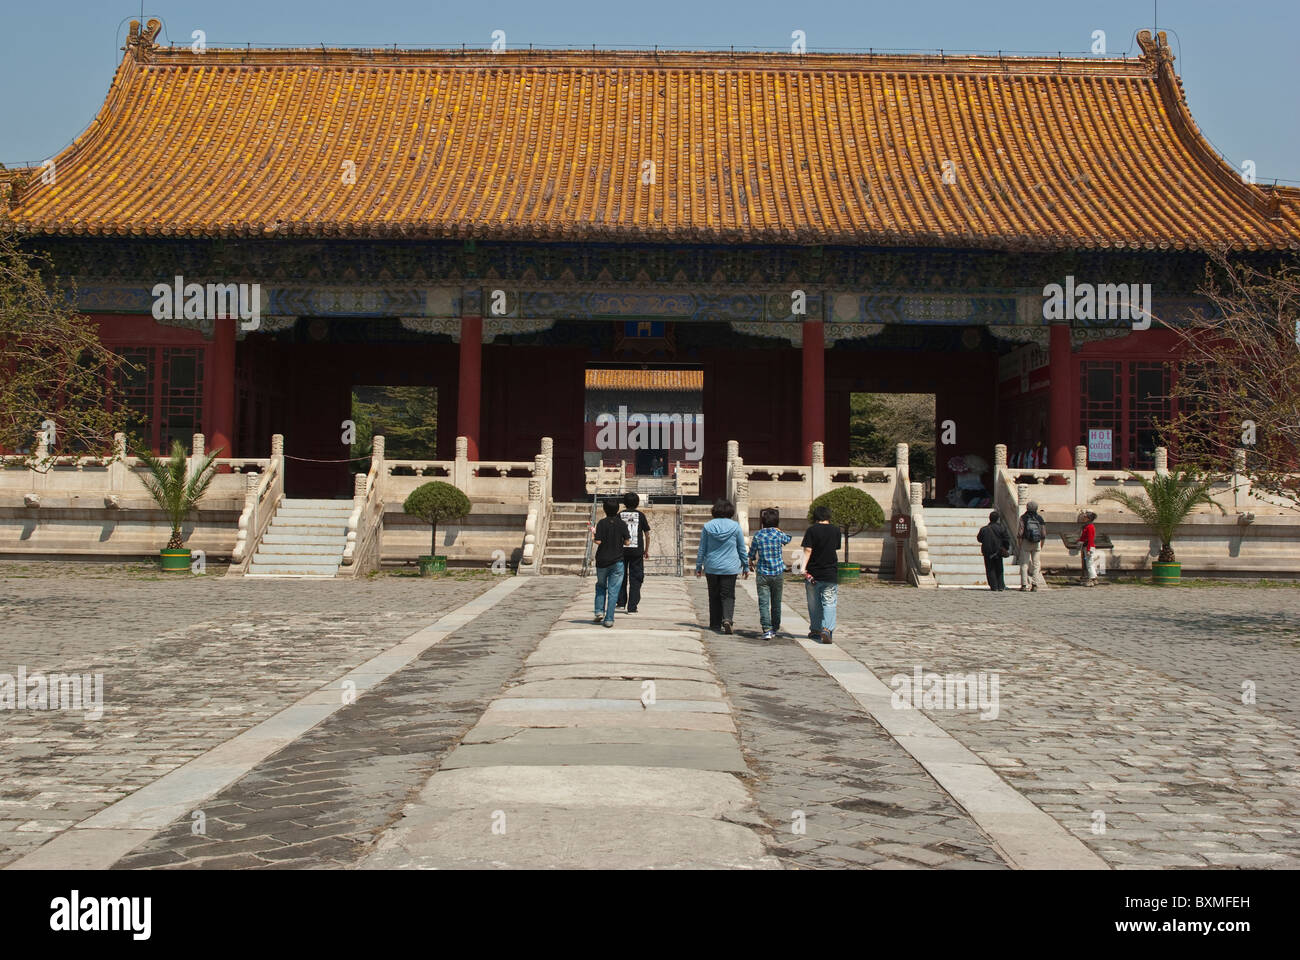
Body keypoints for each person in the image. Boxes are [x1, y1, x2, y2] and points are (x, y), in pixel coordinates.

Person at [694, 498, 748, 634]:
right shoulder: (735, 527)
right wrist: (746, 566)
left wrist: (698, 566)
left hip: (712, 565)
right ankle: (727, 619)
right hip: (730, 567)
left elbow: (702, 549)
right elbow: (741, 548)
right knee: (728, 595)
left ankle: (715, 624)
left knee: (714, 595)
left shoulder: (708, 526)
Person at [749, 507, 792, 640]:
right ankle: (775, 627)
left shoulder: (758, 535)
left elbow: (751, 553)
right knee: (776, 602)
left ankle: (766, 629)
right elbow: (788, 539)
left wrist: (751, 561)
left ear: (763, 522)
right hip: (777, 572)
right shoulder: (779, 534)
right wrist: (779, 530)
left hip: (762, 573)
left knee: (763, 602)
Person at [801, 505, 841, 644]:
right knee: (829, 603)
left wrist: (803, 567)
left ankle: (816, 629)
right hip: (830, 572)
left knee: (814, 603)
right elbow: (835, 547)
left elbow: (807, 550)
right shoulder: (836, 530)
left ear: (815, 517)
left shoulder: (811, 530)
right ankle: (827, 629)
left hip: (813, 573)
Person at [591, 498, 630, 627]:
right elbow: (627, 542)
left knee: (601, 585)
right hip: (617, 560)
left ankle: (599, 611)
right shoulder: (622, 524)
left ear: (605, 509)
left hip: (602, 560)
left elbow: (598, 542)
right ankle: (609, 619)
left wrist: (593, 536)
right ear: (617, 509)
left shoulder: (601, 523)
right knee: (613, 591)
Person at [616, 492, 651, 613]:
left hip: (621, 551)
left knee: (621, 576)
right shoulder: (641, 515)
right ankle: (632, 606)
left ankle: (621, 602)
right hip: (637, 551)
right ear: (637, 503)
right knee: (636, 578)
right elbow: (647, 535)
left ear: (624, 503)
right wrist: (646, 550)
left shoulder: (619, 515)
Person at [977, 510, 1010, 591]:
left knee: (990, 569)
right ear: (997, 519)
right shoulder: (1001, 528)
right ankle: (1001, 586)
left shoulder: (984, 529)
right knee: (999, 568)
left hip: (987, 551)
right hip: (998, 551)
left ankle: (993, 586)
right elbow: (1006, 539)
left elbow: (979, 539)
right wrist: (1005, 548)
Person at [1018, 500, 1047, 592]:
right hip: (1037, 542)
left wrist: (1020, 544)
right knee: (1036, 564)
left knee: (1024, 564)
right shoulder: (1039, 518)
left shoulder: (1023, 518)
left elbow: (1020, 532)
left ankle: (1024, 584)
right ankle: (1035, 584)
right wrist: (1041, 544)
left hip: (1026, 542)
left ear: (1027, 507)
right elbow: (1043, 534)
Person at [1078, 510, 1098, 587]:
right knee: (1090, 563)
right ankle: (1094, 577)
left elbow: (1090, 539)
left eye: (1085, 517)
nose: (1083, 518)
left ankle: (1092, 578)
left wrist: (1089, 549)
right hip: (1087, 546)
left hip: (1089, 546)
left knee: (1089, 564)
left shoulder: (1090, 527)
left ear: (1088, 518)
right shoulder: (1088, 526)